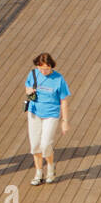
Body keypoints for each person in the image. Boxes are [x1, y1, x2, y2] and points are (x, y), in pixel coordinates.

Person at [25, 53, 71, 185]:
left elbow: (63, 100)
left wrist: (65, 121)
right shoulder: (33, 74)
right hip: (34, 113)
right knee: (35, 145)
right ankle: (38, 172)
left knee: (45, 144)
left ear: (51, 66)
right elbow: (27, 86)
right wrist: (29, 91)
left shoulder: (58, 79)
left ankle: (51, 167)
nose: (43, 71)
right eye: (41, 68)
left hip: (51, 114)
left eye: (46, 68)